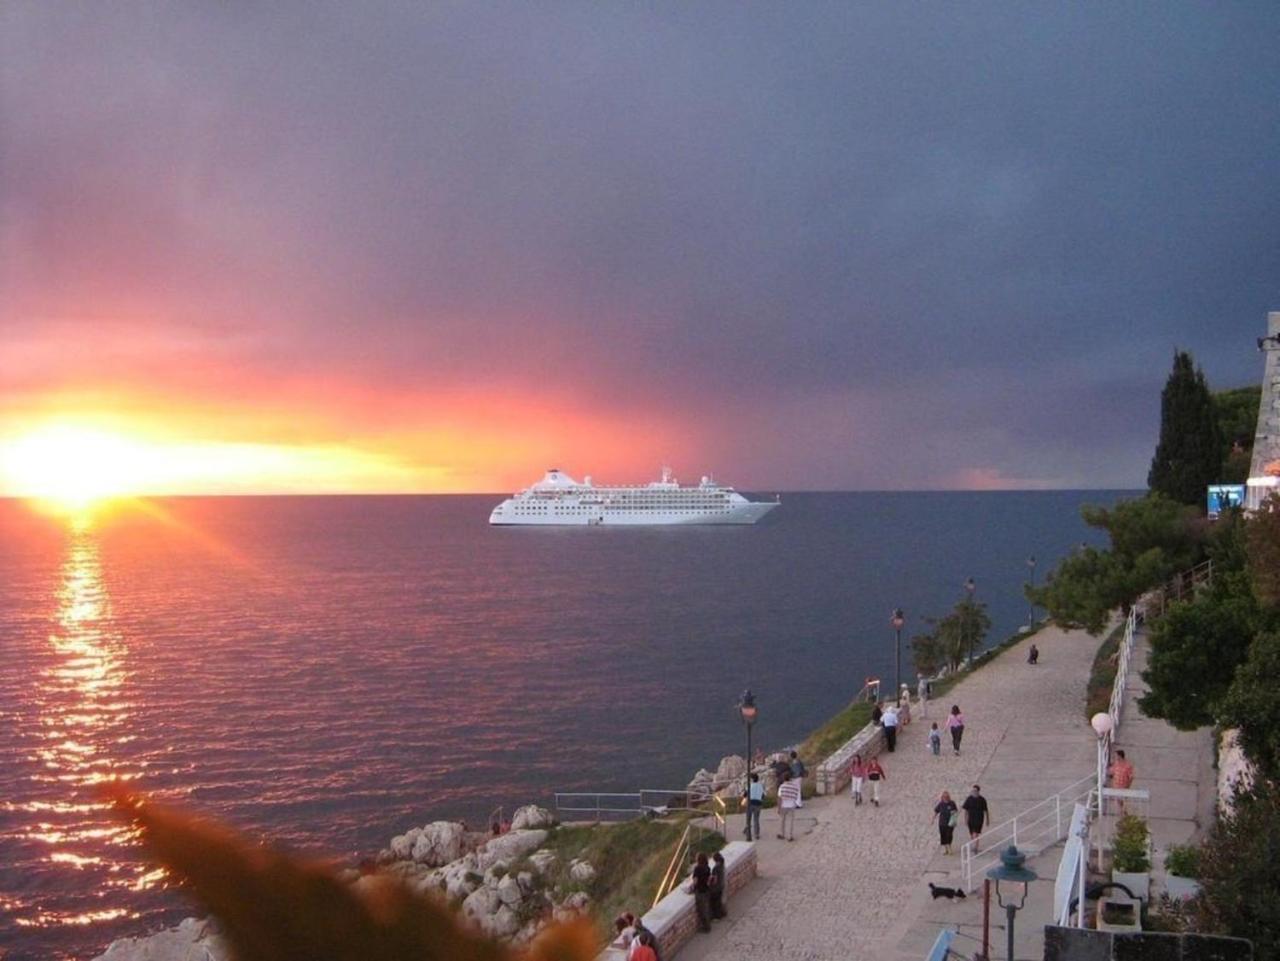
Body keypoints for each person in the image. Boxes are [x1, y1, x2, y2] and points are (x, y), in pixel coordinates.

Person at [962, 784, 990, 853]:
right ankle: (974, 845)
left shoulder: (982, 799)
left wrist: (987, 820)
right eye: (973, 790)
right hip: (971, 818)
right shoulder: (969, 799)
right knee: (972, 833)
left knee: (976, 833)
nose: (974, 792)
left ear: (978, 791)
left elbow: (986, 810)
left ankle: (975, 847)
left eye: (975, 790)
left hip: (979, 818)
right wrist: (965, 819)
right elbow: (966, 810)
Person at [688, 852, 712, 932]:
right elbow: (709, 879)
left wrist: (691, 888)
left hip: (700, 891)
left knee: (701, 910)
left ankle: (706, 927)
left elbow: (695, 881)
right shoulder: (707, 867)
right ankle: (708, 924)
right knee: (706, 907)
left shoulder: (697, 869)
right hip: (706, 890)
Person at [933, 790, 959, 854]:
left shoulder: (952, 803)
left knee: (949, 835)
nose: (945, 798)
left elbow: (956, 811)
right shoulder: (941, 804)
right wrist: (933, 819)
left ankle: (949, 847)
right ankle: (946, 849)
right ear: (942, 797)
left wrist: (953, 812)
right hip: (942, 822)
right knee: (943, 835)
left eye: (947, 797)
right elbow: (936, 811)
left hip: (950, 822)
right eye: (944, 797)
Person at [777, 771, 801, 840]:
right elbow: (797, 796)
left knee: (782, 820)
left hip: (783, 805)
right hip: (792, 805)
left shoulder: (782, 786)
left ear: (783, 778)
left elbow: (779, 798)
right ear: (790, 778)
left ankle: (782, 834)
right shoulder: (795, 787)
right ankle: (790, 836)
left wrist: (778, 808)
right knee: (791, 821)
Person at [743, 773, 764, 841]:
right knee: (756, 819)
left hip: (750, 803)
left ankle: (748, 831)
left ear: (752, 779)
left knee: (748, 819)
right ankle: (756, 834)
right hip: (758, 804)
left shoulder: (749, 786)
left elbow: (744, 795)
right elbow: (763, 796)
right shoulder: (760, 786)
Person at [709, 851, 727, 919]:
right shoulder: (722, 865)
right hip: (721, 885)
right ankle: (722, 913)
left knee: (715, 903)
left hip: (716, 888)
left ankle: (717, 916)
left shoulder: (715, 868)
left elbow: (715, 880)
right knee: (719, 901)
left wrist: (710, 883)